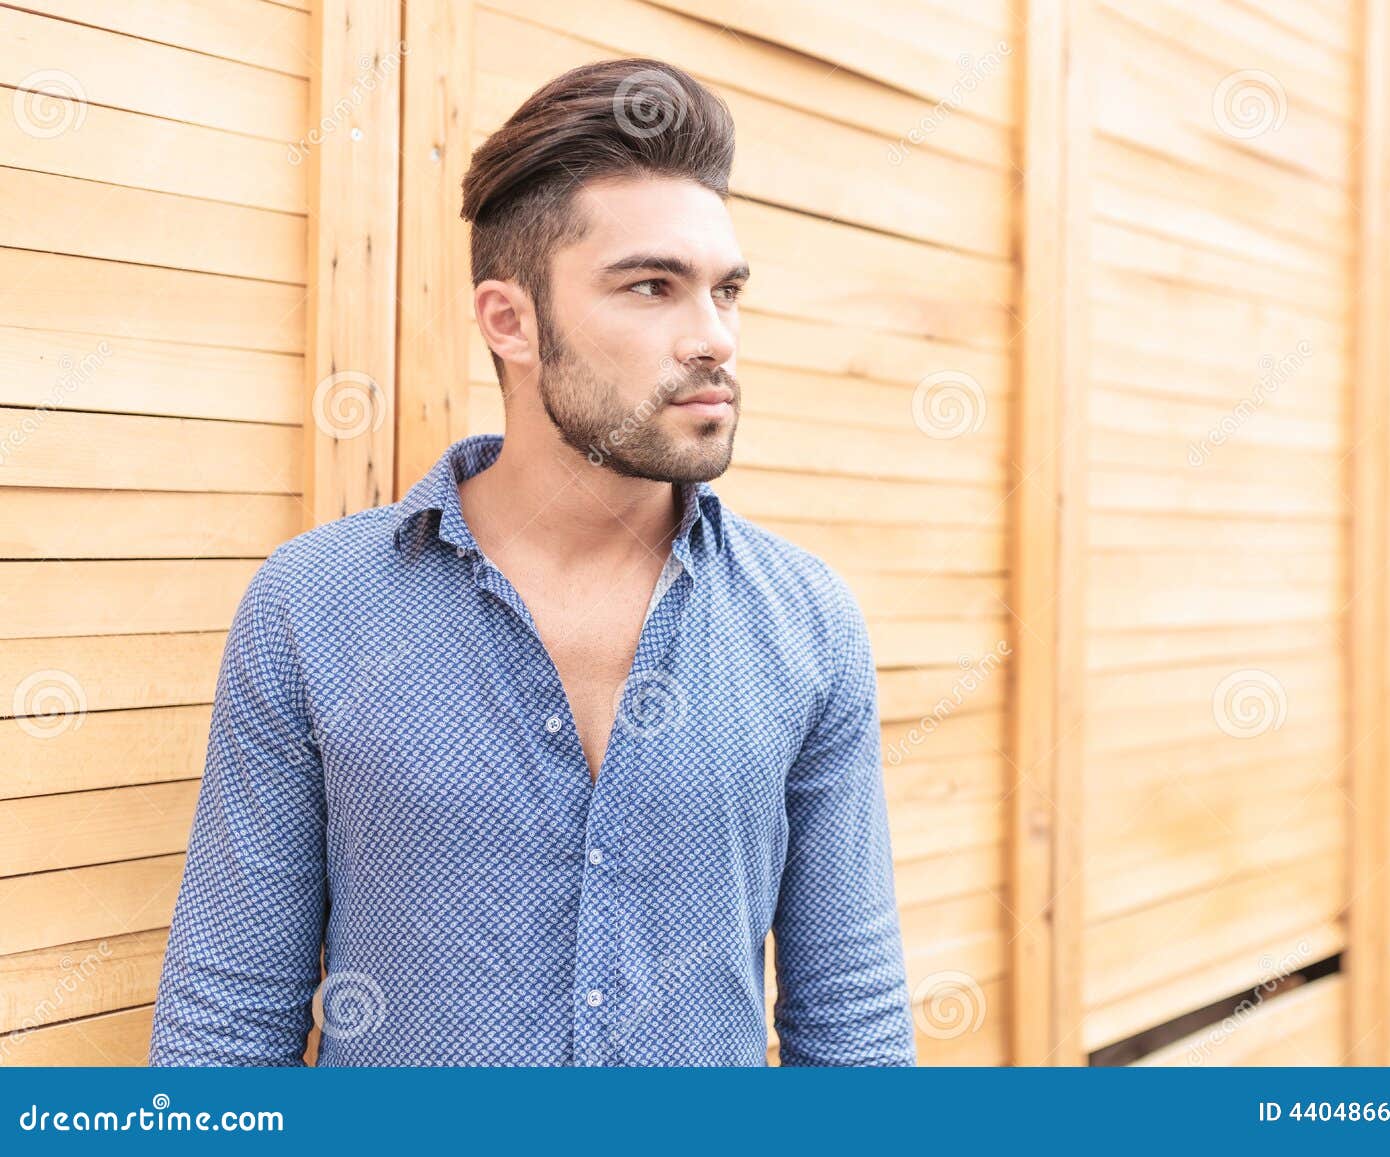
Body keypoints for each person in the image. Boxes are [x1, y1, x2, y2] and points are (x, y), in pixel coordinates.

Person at [146, 57, 916, 1067]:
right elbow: (228, 1023)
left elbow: (851, 1024)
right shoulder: (312, 609)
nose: (713, 338)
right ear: (509, 322)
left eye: (725, 291)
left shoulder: (807, 621)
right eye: (652, 287)